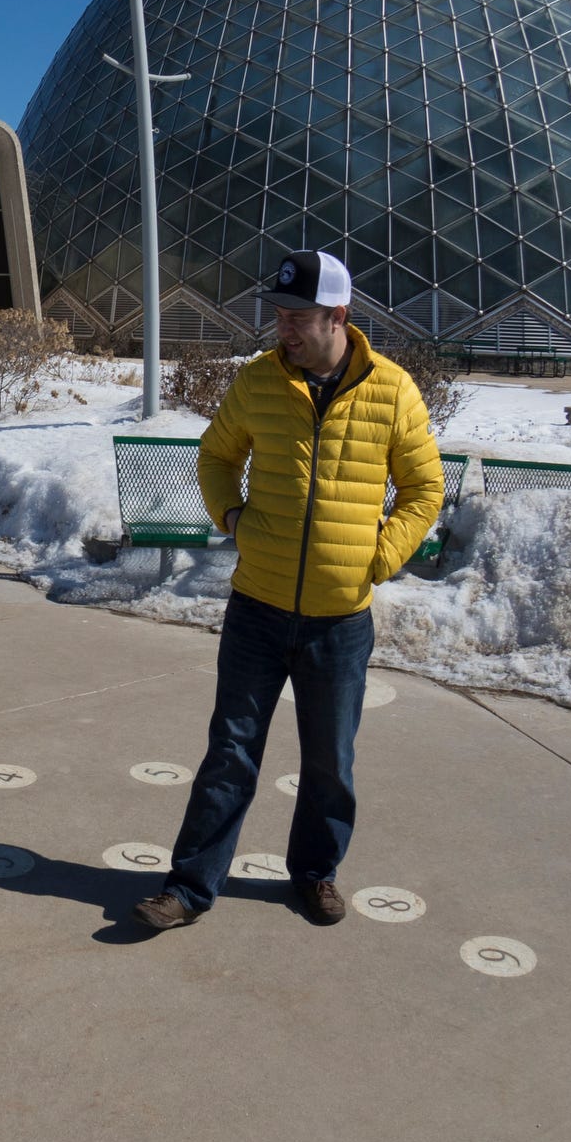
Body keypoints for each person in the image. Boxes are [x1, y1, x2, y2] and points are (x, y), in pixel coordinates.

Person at [134, 249, 444, 932]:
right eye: (278, 316)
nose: (284, 330)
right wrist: (234, 518)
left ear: (338, 316)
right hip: (257, 611)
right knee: (229, 755)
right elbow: (217, 455)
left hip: (340, 621)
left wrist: (379, 556)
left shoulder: (391, 392)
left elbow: (425, 489)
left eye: (297, 317)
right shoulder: (259, 382)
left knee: (330, 763)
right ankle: (187, 888)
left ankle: (316, 874)